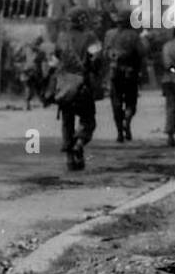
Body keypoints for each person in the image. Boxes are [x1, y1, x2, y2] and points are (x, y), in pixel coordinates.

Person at [53, 9, 102, 170]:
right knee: (88, 120)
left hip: (64, 85)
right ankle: (79, 143)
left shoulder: (61, 37)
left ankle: (69, 158)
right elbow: (97, 59)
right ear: (82, 20)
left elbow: (55, 59)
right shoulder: (90, 37)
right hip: (82, 85)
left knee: (67, 121)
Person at [104, 10, 144, 142]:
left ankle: (120, 132)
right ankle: (127, 120)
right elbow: (141, 52)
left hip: (114, 73)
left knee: (116, 103)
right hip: (130, 74)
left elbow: (104, 54)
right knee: (131, 102)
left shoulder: (109, 34)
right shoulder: (134, 35)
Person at [22, 35, 47, 111]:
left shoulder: (27, 49)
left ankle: (27, 104)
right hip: (35, 71)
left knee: (28, 87)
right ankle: (43, 102)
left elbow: (22, 57)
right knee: (38, 87)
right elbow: (44, 61)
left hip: (27, 69)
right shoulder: (41, 52)